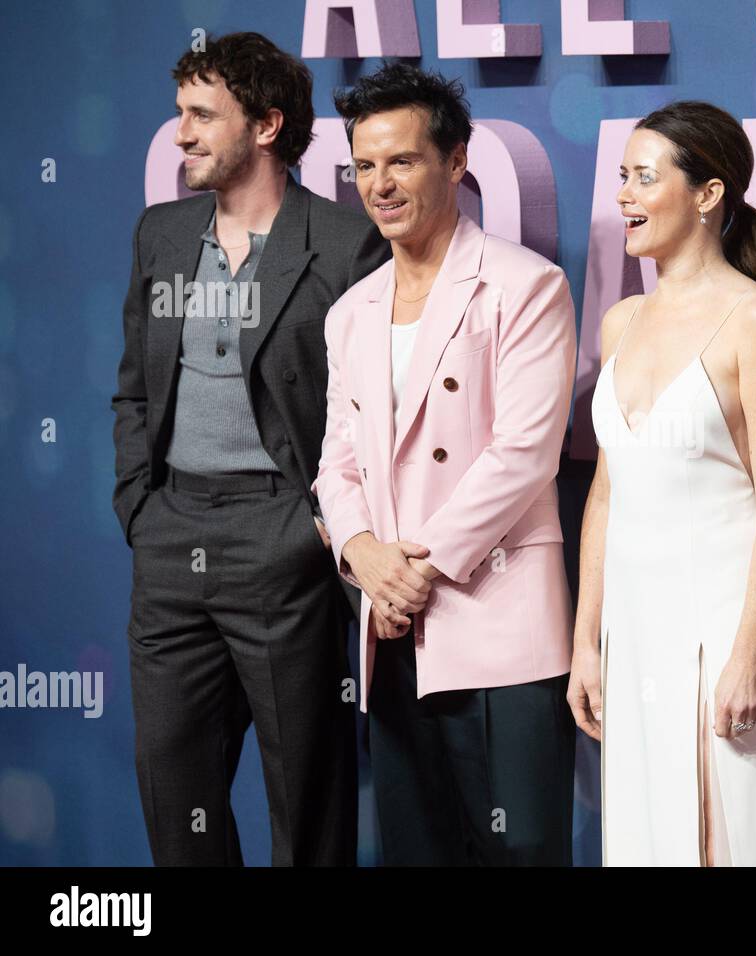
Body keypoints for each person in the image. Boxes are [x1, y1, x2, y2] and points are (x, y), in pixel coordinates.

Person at [111, 32, 389, 865]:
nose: (181, 134)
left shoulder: (345, 245)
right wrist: (138, 505)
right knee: (175, 800)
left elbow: (369, 414)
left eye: (202, 115)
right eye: (179, 114)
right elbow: (133, 385)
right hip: (169, 539)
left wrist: (313, 530)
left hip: (283, 538)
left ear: (267, 126)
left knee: (307, 803)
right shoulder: (160, 233)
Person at [314, 64, 577, 866]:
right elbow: (337, 463)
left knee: (523, 849)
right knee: (416, 851)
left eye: (402, 161)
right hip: (393, 634)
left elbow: (523, 454)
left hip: (497, 620)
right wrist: (363, 558)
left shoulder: (525, 285)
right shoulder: (350, 313)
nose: (379, 185)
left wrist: (411, 574)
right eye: (364, 166)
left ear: (456, 162)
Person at [568, 100, 756, 866]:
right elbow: (607, 496)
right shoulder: (619, 322)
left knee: (729, 842)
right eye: (621, 177)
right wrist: (588, 642)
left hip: (723, 630)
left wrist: (750, 654)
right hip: (633, 637)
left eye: (644, 178)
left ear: (708, 195)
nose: (623, 196)